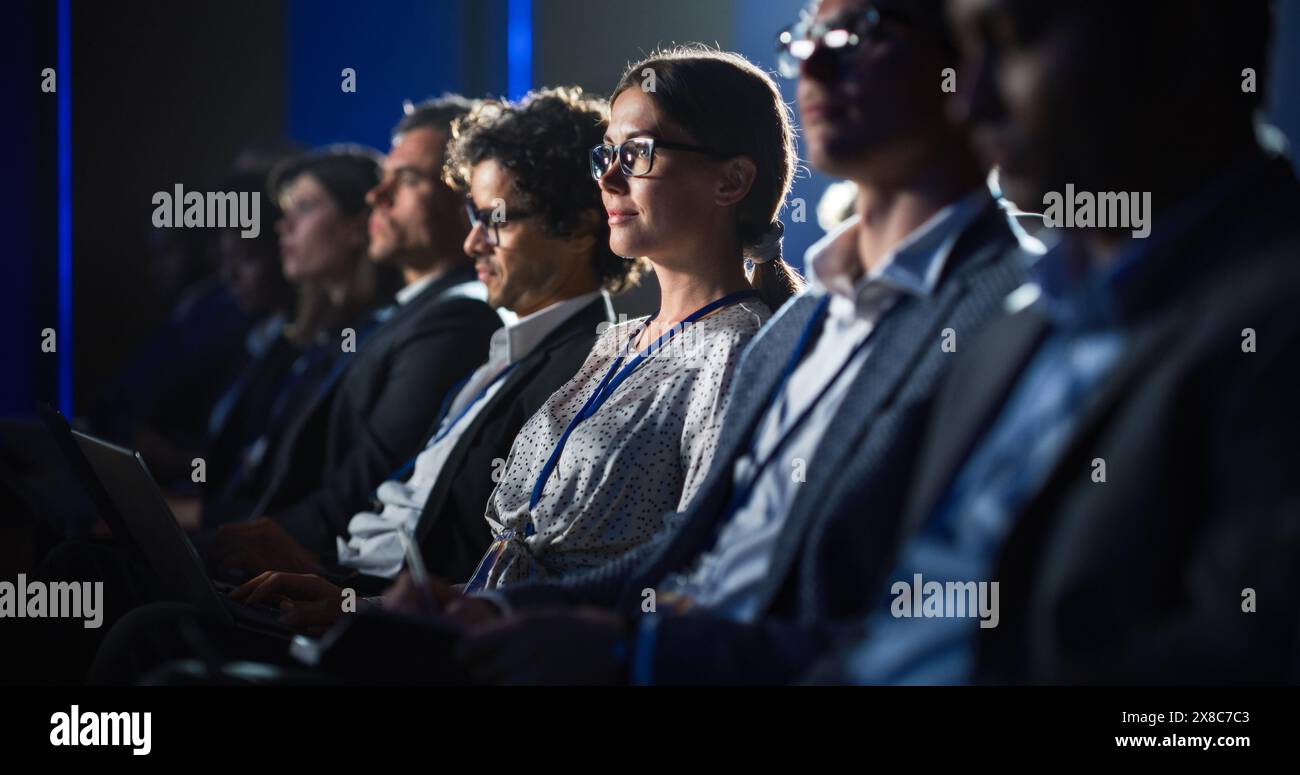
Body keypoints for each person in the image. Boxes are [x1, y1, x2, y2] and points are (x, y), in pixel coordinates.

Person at [807, 0, 1300, 684]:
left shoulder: (1273, 320)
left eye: (1012, 39)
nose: (968, 103)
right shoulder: (1007, 331)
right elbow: (864, 633)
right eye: (964, 50)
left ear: (1187, 43)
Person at [211, 99, 504, 574]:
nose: (377, 195)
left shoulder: (459, 319)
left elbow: (365, 484)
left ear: (468, 197)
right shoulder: (398, 316)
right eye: (384, 176)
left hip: (327, 572)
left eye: (407, 179)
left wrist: (227, 542)